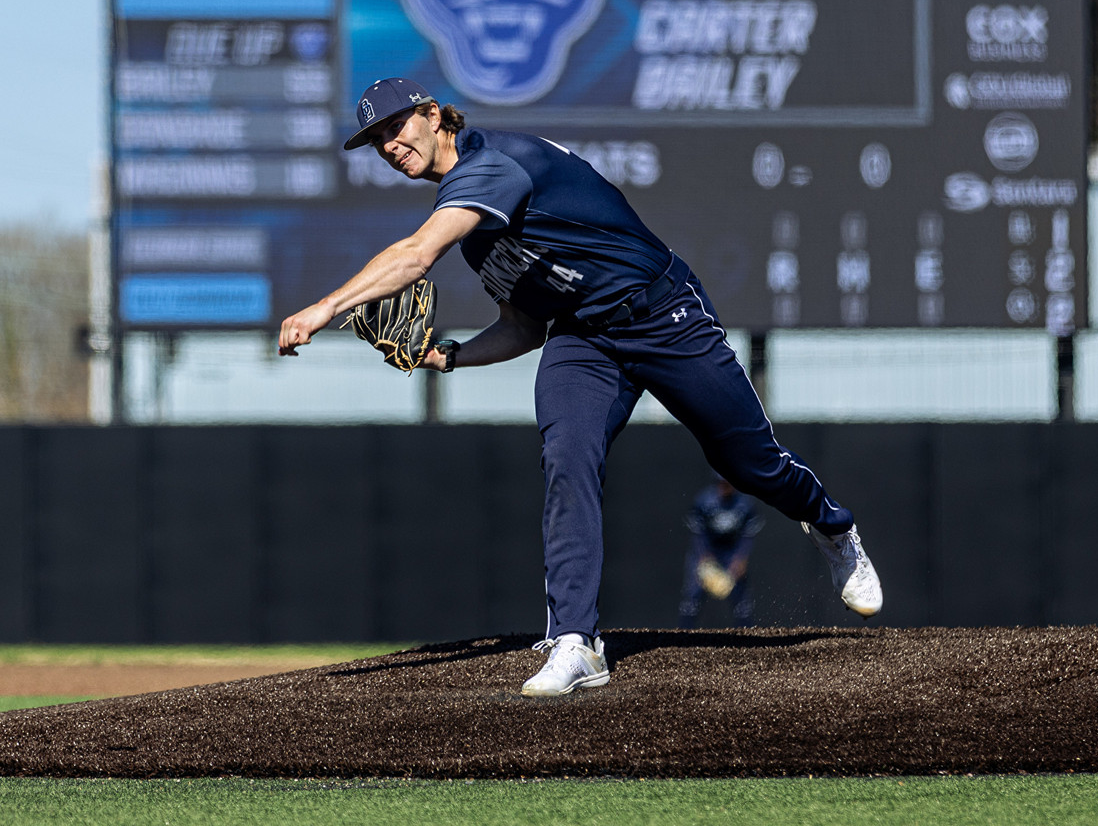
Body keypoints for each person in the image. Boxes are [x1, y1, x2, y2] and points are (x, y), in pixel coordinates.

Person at [278, 78, 881, 697]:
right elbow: (523, 327)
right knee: (567, 457)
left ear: (434, 116)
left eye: (396, 127)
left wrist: (323, 309)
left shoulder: (491, 167)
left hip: (661, 315)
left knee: (746, 461)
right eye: (376, 140)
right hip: (583, 340)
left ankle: (833, 527)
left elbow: (415, 256)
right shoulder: (481, 234)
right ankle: (575, 641)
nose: (388, 145)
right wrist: (448, 357)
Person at [679, 477, 762, 628]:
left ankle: (748, 638)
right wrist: (703, 556)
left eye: (728, 483)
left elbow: (748, 534)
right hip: (708, 551)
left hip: (731, 552)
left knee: (742, 601)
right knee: (692, 595)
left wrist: (741, 557)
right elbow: (698, 532)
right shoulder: (704, 500)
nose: (724, 487)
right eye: (721, 483)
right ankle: (683, 637)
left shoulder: (744, 504)